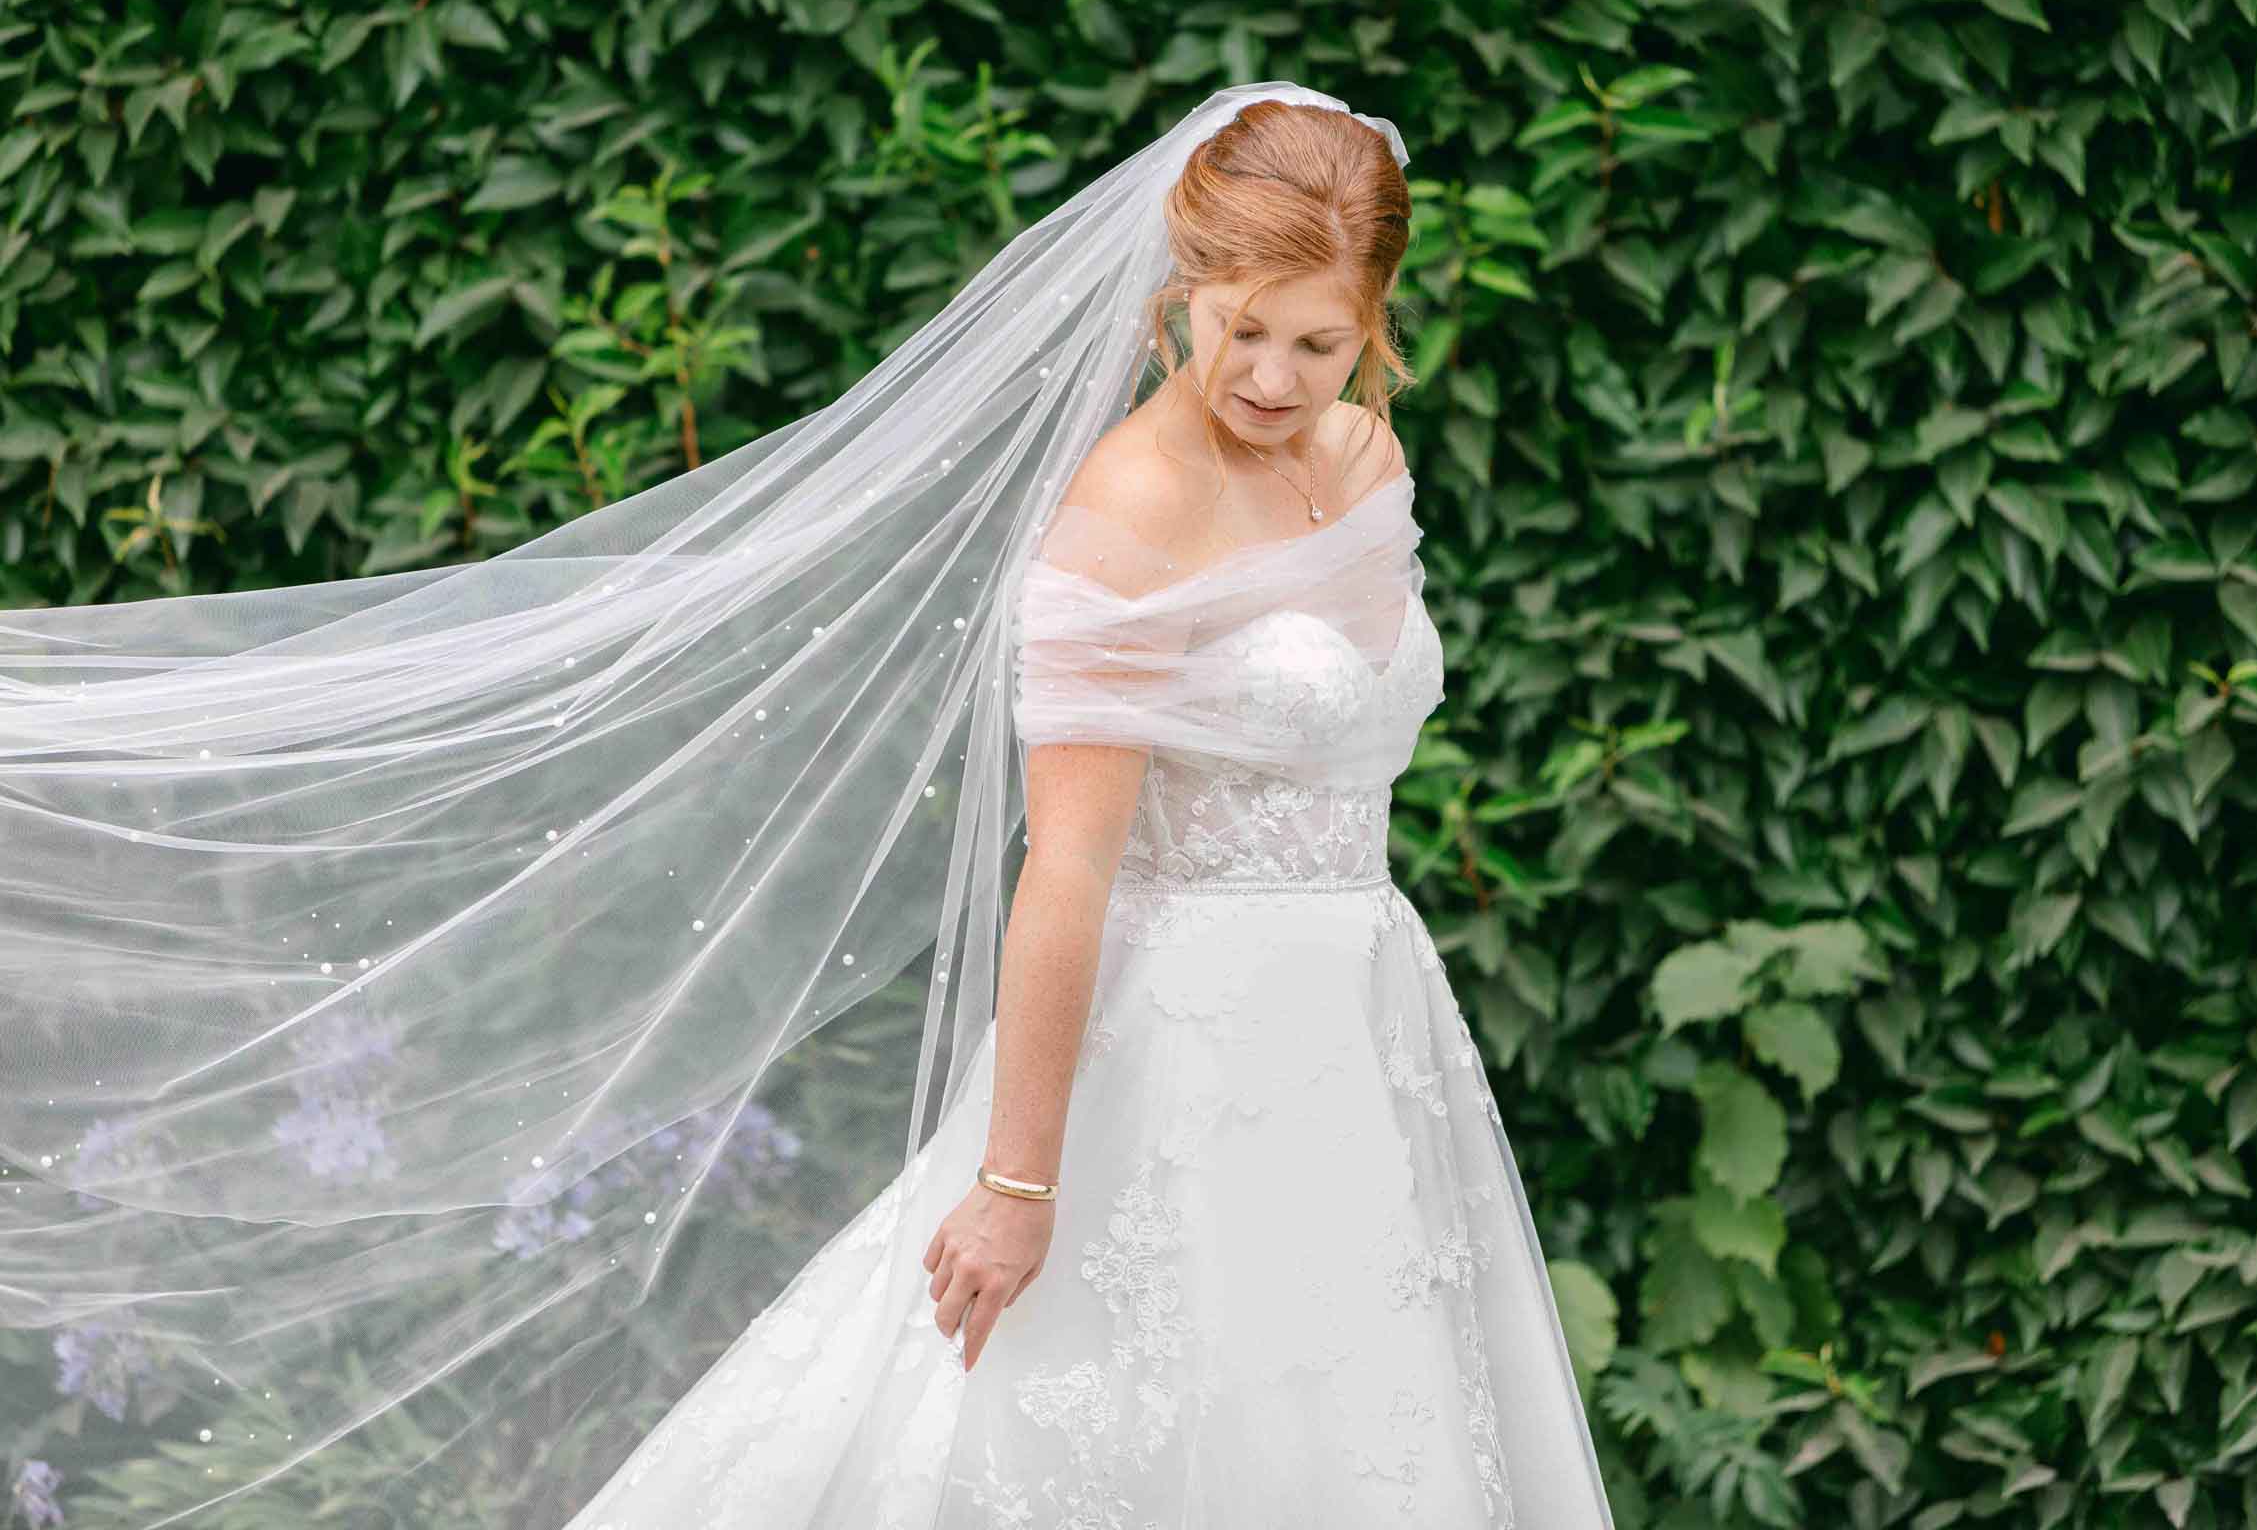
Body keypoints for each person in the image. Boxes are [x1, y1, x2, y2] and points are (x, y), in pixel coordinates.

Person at [0, 82, 1611, 1528]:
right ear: (1177, 297)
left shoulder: (1364, 457)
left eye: (1314, 341)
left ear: (1375, 322)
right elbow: (1067, 875)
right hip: (1167, 1052)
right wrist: (1020, 1181)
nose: (1268, 374)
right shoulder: (1130, 508)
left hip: (1361, 1024)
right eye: (1236, 326)